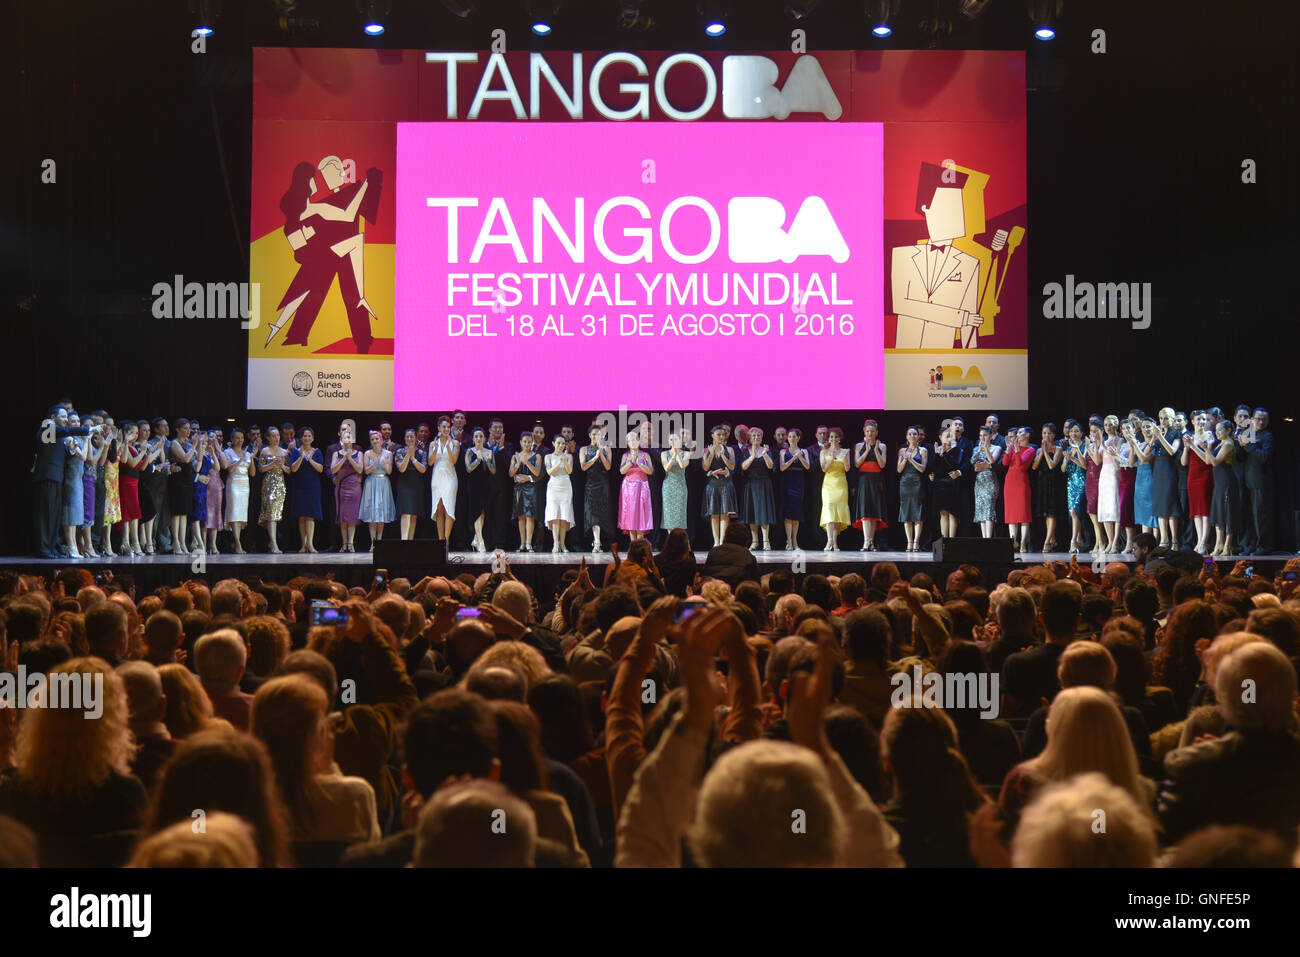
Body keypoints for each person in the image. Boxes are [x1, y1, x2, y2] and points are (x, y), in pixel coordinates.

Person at [852, 419, 889, 551]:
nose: (870, 433)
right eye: (867, 431)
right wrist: (867, 450)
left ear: (877, 432)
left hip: (876, 480)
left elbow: (882, 464)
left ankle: (871, 542)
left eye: (872, 431)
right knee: (865, 511)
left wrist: (876, 450)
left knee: (874, 512)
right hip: (863, 480)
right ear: (864, 432)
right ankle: (866, 542)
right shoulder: (858, 446)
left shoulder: (882, 446)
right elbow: (856, 464)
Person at [1182, 410, 1215, 554]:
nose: (1202, 422)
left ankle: (1204, 542)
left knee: (1204, 509)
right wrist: (1186, 447)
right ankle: (1199, 540)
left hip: (1205, 474)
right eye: (1199, 419)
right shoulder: (1190, 436)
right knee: (1196, 511)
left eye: (1204, 419)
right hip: (1192, 475)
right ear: (1193, 421)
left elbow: (1206, 459)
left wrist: (1193, 446)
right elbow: (1183, 462)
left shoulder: (1209, 436)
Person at [1241, 408, 1273, 554]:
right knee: (1251, 515)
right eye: (1258, 419)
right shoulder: (1250, 433)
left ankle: (1263, 546)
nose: (1260, 422)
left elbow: (1263, 457)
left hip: (1261, 481)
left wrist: (1248, 445)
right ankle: (1253, 544)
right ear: (1252, 419)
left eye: (1263, 419)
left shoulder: (1267, 436)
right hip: (1249, 480)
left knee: (1260, 515)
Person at [1208, 419, 1241, 556]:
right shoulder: (1219, 443)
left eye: (1220, 430)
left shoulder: (1228, 443)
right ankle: (1218, 543)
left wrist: (1206, 449)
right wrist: (1206, 447)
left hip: (1227, 481)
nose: (1217, 432)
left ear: (1228, 430)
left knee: (1227, 513)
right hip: (1219, 482)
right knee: (1218, 511)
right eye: (1216, 430)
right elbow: (1207, 460)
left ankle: (1228, 545)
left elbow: (1215, 462)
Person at [289, 426, 325, 553]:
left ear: (313, 438)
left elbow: (321, 469)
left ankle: (310, 544)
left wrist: (309, 459)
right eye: (305, 436)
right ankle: (303, 544)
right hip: (299, 486)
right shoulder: (295, 452)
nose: (307, 438)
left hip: (313, 486)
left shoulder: (317, 452)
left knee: (311, 515)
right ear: (301, 438)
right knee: (301, 516)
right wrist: (301, 457)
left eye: (309, 436)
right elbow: (293, 469)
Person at [359, 431, 396, 552]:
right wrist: (374, 462)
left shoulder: (388, 454)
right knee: (372, 515)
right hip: (371, 483)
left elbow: (389, 472)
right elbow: (366, 471)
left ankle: (379, 542)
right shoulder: (367, 453)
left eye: (377, 439)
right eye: (372, 440)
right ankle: (373, 543)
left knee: (381, 515)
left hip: (383, 482)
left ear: (381, 441)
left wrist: (384, 462)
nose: (375, 441)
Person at [1151, 407, 1183, 548]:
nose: (1163, 421)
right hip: (1158, 471)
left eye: (1166, 418)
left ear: (1172, 418)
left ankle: (1174, 539)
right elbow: (1150, 449)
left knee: (1170, 505)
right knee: (1159, 506)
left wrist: (1160, 437)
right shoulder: (1159, 433)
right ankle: (1164, 539)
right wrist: (1154, 437)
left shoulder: (1175, 433)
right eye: (1161, 418)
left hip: (1169, 471)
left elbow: (1172, 450)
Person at [741, 427, 776, 550]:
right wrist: (752, 456)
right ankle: (755, 541)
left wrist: (764, 454)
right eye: (754, 436)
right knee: (753, 513)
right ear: (750, 438)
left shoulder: (766, 450)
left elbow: (771, 466)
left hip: (764, 484)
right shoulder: (746, 451)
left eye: (758, 436)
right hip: (751, 484)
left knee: (764, 512)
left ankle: (766, 541)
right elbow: (743, 467)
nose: (756, 438)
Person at [580, 423, 614, 553]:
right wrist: (595, 457)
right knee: (592, 513)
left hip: (603, 484)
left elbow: (608, 467)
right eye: (594, 434)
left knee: (602, 514)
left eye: (599, 434)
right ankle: (596, 542)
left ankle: (599, 541)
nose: (596, 437)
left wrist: (601, 454)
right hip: (590, 484)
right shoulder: (584, 449)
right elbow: (583, 467)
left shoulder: (607, 449)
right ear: (590, 435)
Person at [702, 425, 737, 547]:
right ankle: (716, 542)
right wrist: (711, 455)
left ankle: (722, 542)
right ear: (713, 436)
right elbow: (705, 468)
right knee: (714, 513)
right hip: (712, 485)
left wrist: (723, 455)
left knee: (724, 513)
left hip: (726, 484)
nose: (722, 437)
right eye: (719, 434)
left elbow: (732, 467)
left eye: (723, 434)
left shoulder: (730, 450)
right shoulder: (707, 450)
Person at [930, 423, 966, 541]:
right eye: (947, 436)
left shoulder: (957, 450)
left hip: (951, 484)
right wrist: (938, 455)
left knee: (952, 513)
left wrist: (944, 454)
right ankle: (944, 540)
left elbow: (954, 464)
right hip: (939, 485)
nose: (949, 438)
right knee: (943, 512)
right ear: (941, 438)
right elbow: (933, 467)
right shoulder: (938, 450)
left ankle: (952, 541)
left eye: (951, 436)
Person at [331, 426, 364, 553]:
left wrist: (350, 457)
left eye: (349, 437)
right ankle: (344, 543)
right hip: (341, 488)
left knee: (352, 517)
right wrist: (344, 457)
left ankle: (351, 543)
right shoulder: (336, 453)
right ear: (341, 438)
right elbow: (334, 469)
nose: (347, 439)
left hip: (354, 487)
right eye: (345, 437)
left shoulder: (359, 453)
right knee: (342, 517)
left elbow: (360, 469)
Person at [257, 425, 288, 554]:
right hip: (269, 484)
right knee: (270, 515)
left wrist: (282, 466)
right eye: (273, 436)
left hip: (280, 485)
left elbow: (289, 470)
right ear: (268, 437)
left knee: (276, 515)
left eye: (278, 435)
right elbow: (261, 469)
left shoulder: (284, 452)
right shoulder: (265, 451)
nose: (276, 438)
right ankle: (274, 544)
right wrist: (273, 464)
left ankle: (272, 542)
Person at [618, 431, 654, 543]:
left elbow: (650, 471)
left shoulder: (645, 455)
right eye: (630, 440)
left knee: (641, 516)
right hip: (629, 488)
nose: (632, 442)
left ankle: (641, 545)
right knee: (631, 516)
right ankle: (633, 545)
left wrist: (640, 463)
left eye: (634, 439)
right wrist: (630, 462)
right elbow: (621, 471)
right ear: (627, 443)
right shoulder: (625, 455)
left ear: (639, 441)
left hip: (642, 487)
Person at [1003, 427, 1035, 553]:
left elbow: (1021, 465)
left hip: (1021, 482)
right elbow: (1005, 463)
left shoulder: (1031, 449)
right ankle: (1013, 541)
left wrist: (1016, 451)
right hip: (1010, 482)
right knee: (1011, 515)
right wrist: (1008, 449)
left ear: (1028, 435)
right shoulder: (1012, 447)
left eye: (1021, 432)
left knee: (1023, 515)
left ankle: (1022, 543)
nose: (1018, 434)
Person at [463, 427, 495, 552]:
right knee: (476, 511)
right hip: (474, 485)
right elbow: (468, 469)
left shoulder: (489, 451)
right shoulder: (469, 451)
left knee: (483, 512)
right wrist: (478, 459)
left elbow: (493, 470)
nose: (478, 438)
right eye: (476, 436)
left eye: (481, 436)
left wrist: (487, 461)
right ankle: (481, 542)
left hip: (486, 485)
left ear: (484, 438)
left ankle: (476, 538)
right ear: (473, 438)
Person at [1032, 422, 1063, 552]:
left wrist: (1045, 452)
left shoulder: (1058, 449)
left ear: (1054, 435)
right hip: (1042, 482)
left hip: (1053, 483)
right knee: (1046, 514)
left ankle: (1047, 541)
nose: (1046, 436)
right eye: (1044, 433)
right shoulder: (1038, 450)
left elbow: (1052, 465)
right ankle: (1052, 539)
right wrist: (1041, 452)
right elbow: (1034, 467)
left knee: (1052, 513)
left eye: (1049, 433)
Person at [392, 429, 427, 542]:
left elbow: (423, 469)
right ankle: (404, 541)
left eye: (412, 437)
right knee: (406, 513)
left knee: (413, 514)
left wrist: (413, 458)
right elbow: (401, 469)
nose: (409, 439)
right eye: (407, 437)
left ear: (416, 438)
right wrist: (408, 455)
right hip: (404, 484)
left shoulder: (422, 452)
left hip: (416, 484)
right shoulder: (400, 451)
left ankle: (410, 541)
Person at [819, 427, 850, 551]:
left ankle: (835, 542)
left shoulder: (845, 451)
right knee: (829, 511)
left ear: (840, 438)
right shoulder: (824, 452)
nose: (833, 439)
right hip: (828, 484)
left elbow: (847, 469)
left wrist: (846, 459)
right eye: (831, 437)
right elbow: (824, 469)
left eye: (836, 437)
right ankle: (829, 541)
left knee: (838, 513)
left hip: (841, 483)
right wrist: (831, 460)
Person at [429, 416, 459, 544]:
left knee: (449, 508)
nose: (446, 429)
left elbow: (453, 461)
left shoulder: (455, 443)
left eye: (448, 427)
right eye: (444, 427)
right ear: (439, 428)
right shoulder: (432, 444)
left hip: (450, 477)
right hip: (437, 478)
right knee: (439, 509)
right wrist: (436, 448)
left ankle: (446, 540)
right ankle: (440, 541)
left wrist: (447, 446)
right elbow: (430, 462)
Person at [511, 432, 542, 552]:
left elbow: (537, 473)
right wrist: (519, 462)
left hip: (531, 488)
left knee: (530, 515)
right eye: (525, 441)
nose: (527, 444)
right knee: (521, 516)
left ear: (532, 442)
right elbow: (510, 473)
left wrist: (527, 462)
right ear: (521, 442)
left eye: (529, 442)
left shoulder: (537, 456)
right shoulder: (515, 456)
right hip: (519, 487)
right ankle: (522, 543)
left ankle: (529, 543)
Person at [897, 426, 927, 551]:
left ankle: (916, 541)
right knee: (906, 512)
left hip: (917, 482)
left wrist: (911, 459)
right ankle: (909, 542)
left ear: (918, 436)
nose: (913, 436)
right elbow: (899, 469)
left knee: (917, 512)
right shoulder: (902, 450)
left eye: (915, 434)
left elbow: (922, 468)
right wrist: (905, 458)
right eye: (910, 434)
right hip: (905, 483)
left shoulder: (923, 450)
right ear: (906, 436)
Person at [779, 428, 809, 551]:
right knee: (788, 512)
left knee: (796, 513)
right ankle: (789, 541)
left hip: (799, 482)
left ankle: (795, 541)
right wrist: (792, 458)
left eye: (794, 436)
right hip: (787, 482)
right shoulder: (783, 452)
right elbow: (782, 468)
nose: (791, 438)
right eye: (790, 436)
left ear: (798, 438)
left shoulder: (804, 451)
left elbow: (807, 467)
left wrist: (800, 457)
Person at [544, 434, 575, 553]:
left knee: (564, 515)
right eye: (559, 443)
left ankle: (563, 543)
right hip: (553, 487)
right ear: (553, 443)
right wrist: (559, 462)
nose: (561, 445)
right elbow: (550, 472)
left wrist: (565, 459)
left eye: (563, 443)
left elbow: (569, 471)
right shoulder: (548, 457)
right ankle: (555, 543)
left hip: (566, 486)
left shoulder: (569, 457)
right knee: (554, 515)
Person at [1061, 419, 1088, 553]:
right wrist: (1066, 458)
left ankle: (1074, 540)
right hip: (1071, 482)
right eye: (1071, 431)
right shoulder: (1067, 447)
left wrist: (1073, 456)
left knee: (1076, 511)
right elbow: (1063, 469)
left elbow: (1084, 465)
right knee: (1073, 513)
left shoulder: (1085, 446)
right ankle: (1078, 539)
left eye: (1076, 431)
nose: (1073, 433)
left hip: (1082, 481)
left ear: (1082, 433)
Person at [971, 425, 1002, 539]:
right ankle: (984, 539)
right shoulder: (976, 448)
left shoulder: (996, 447)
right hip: (979, 482)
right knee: (980, 511)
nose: (982, 438)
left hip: (990, 482)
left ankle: (989, 540)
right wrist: (979, 451)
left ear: (991, 436)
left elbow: (992, 461)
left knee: (989, 510)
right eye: (980, 435)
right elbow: (972, 463)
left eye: (985, 435)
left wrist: (985, 449)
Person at [660, 431, 690, 534]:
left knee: (680, 514)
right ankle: (671, 542)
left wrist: (677, 454)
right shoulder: (664, 454)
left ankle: (680, 542)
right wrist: (673, 456)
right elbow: (667, 468)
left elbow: (682, 465)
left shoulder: (686, 453)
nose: (673, 442)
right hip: (668, 486)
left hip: (680, 485)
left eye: (676, 439)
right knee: (669, 516)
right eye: (671, 440)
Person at [1131, 418, 1157, 539]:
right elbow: (1132, 462)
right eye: (1144, 427)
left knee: (1151, 509)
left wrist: (1134, 444)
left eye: (1148, 427)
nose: (1146, 429)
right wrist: (1132, 446)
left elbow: (1144, 459)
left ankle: (1155, 541)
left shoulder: (1155, 443)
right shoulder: (1140, 444)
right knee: (1142, 510)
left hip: (1149, 478)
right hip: (1139, 480)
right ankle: (1145, 541)